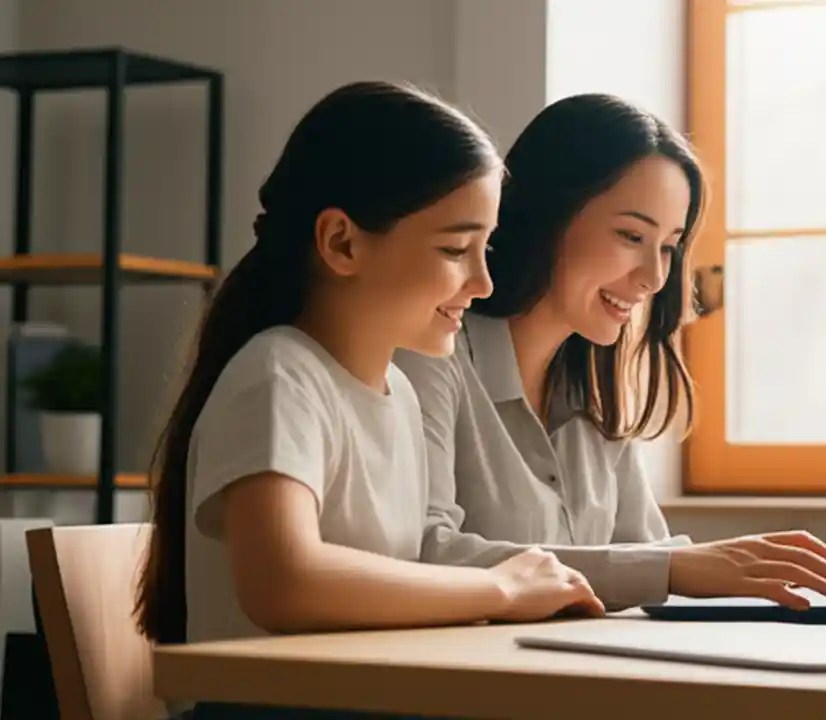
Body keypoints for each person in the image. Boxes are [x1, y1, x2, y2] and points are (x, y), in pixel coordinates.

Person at [133, 82, 607, 718]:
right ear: (342, 243)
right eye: (453, 249)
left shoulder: (400, 395)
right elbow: (283, 583)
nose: (483, 281)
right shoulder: (279, 375)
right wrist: (496, 587)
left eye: (484, 248)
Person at [395, 93, 826, 612]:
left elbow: (648, 563)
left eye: (668, 246)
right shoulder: (429, 356)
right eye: (631, 235)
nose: (655, 277)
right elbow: (424, 554)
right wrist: (675, 567)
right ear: (549, 215)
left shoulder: (593, 394)